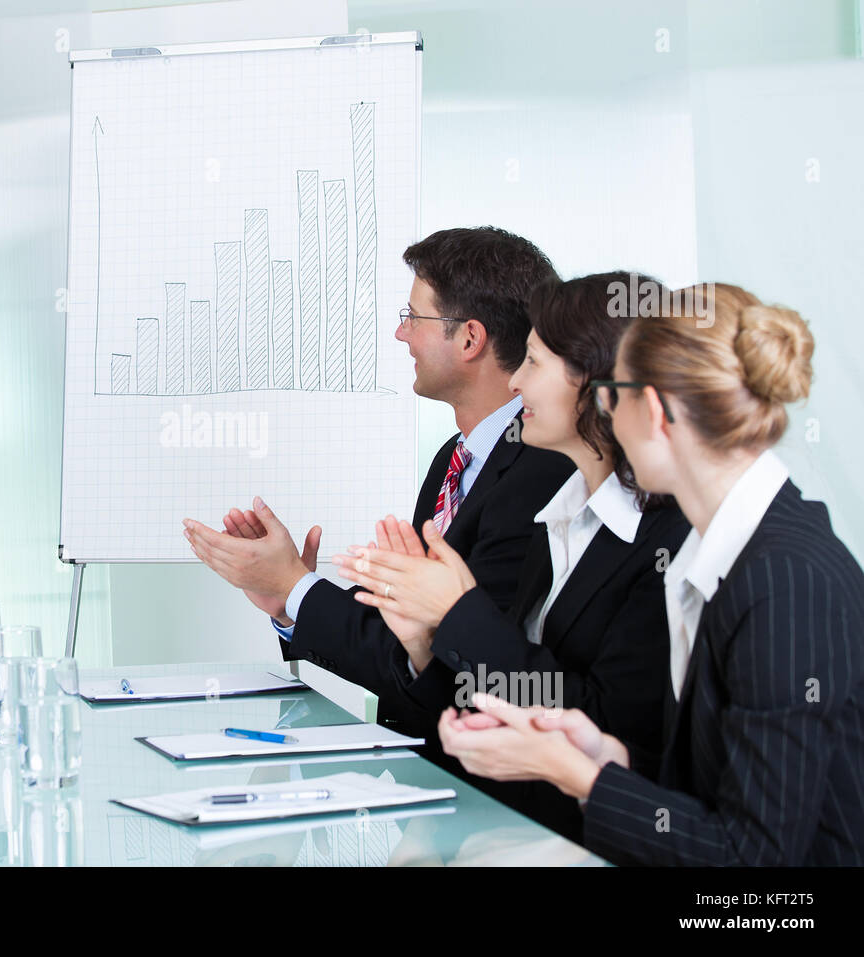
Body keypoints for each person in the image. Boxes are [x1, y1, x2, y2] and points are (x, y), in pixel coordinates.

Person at [436, 283, 864, 865]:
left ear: (655, 410)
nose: (604, 412)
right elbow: (714, 793)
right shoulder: (728, 555)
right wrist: (600, 755)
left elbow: (754, 861)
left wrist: (579, 778)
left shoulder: (783, 580)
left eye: (614, 395)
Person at [329, 272, 691, 841]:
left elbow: (604, 725)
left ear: (595, 385)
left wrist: (457, 612)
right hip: (509, 826)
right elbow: (516, 689)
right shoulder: (564, 515)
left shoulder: (668, 541)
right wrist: (425, 642)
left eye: (534, 364)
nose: (515, 381)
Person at [183, 227, 573, 733]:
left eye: (413, 317)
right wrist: (288, 600)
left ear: (470, 339)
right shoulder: (452, 461)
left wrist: (296, 587)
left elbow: (461, 663)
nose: (400, 333)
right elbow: (407, 649)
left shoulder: (540, 470)